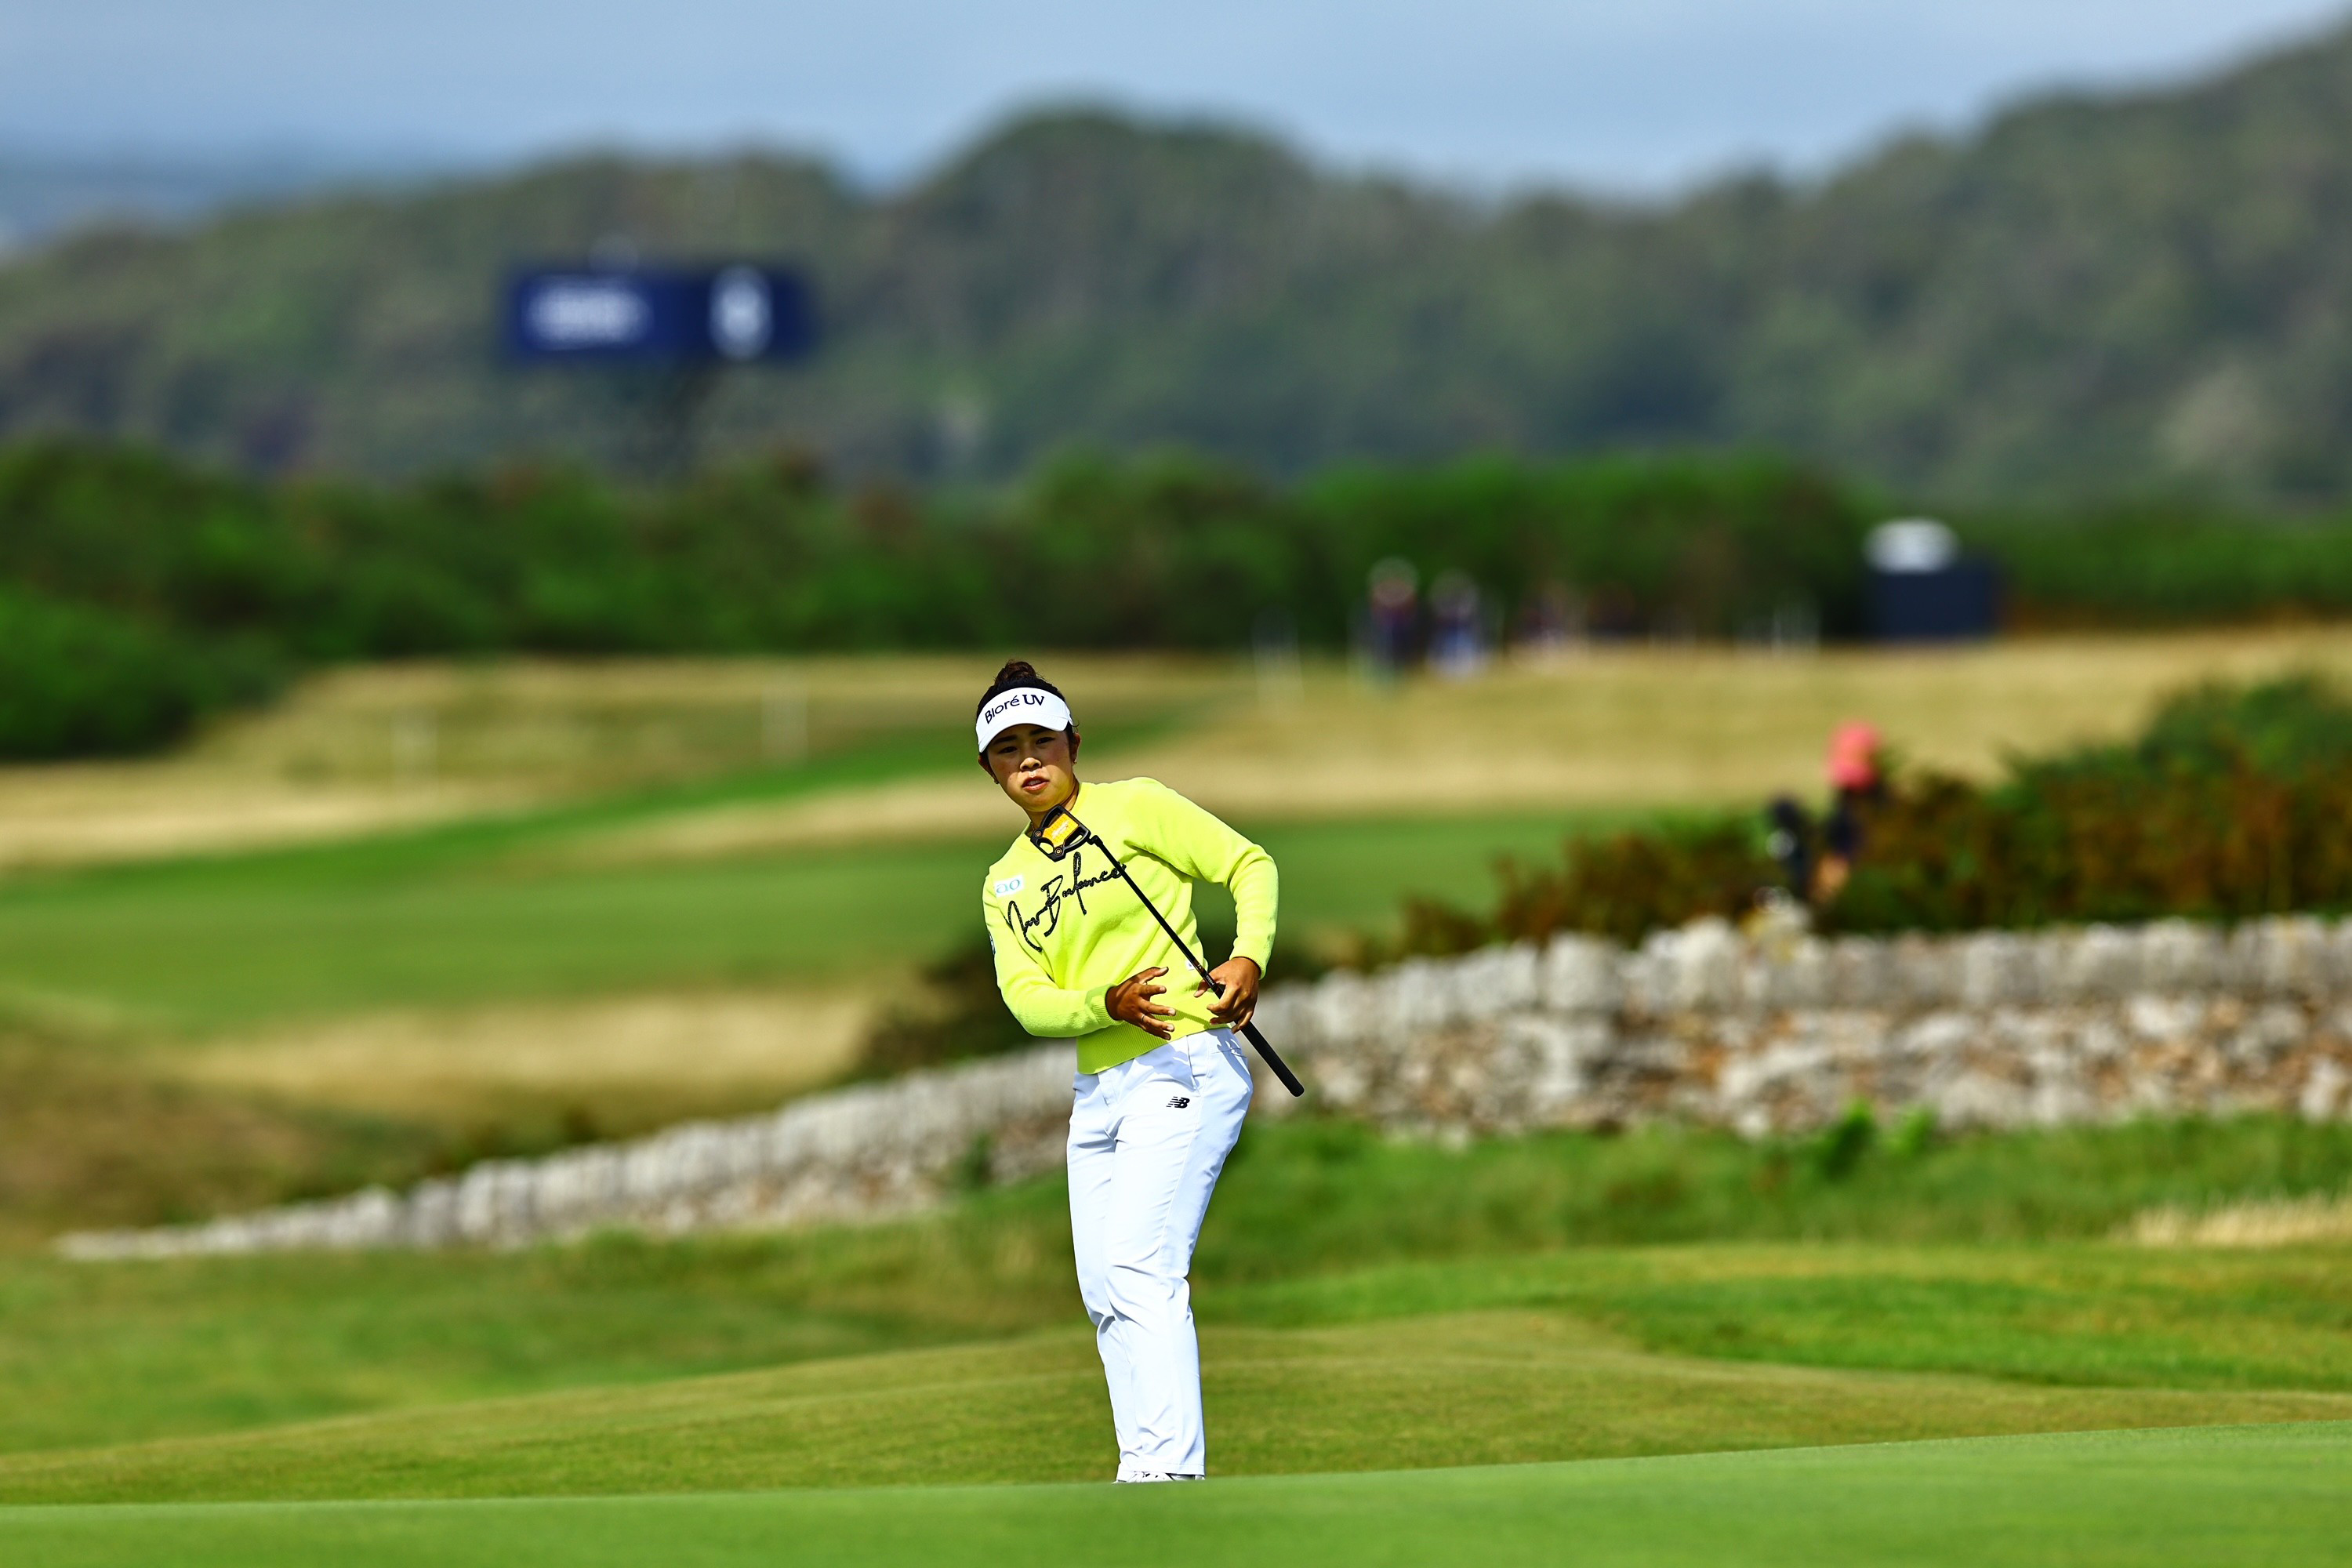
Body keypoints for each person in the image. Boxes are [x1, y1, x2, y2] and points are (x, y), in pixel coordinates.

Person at [973, 659, 1276, 1483]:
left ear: (1073, 740)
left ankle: (1171, 1473)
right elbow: (1027, 997)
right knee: (1105, 1286)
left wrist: (1247, 955)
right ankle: (1139, 1463)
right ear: (990, 768)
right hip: (1099, 1091)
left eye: (1042, 739)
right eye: (1008, 748)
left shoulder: (1135, 804)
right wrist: (1101, 1003)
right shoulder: (1005, 881)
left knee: (1143, 1267)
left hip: (1183, 1059)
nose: (1029, 757)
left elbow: (1248, 863)